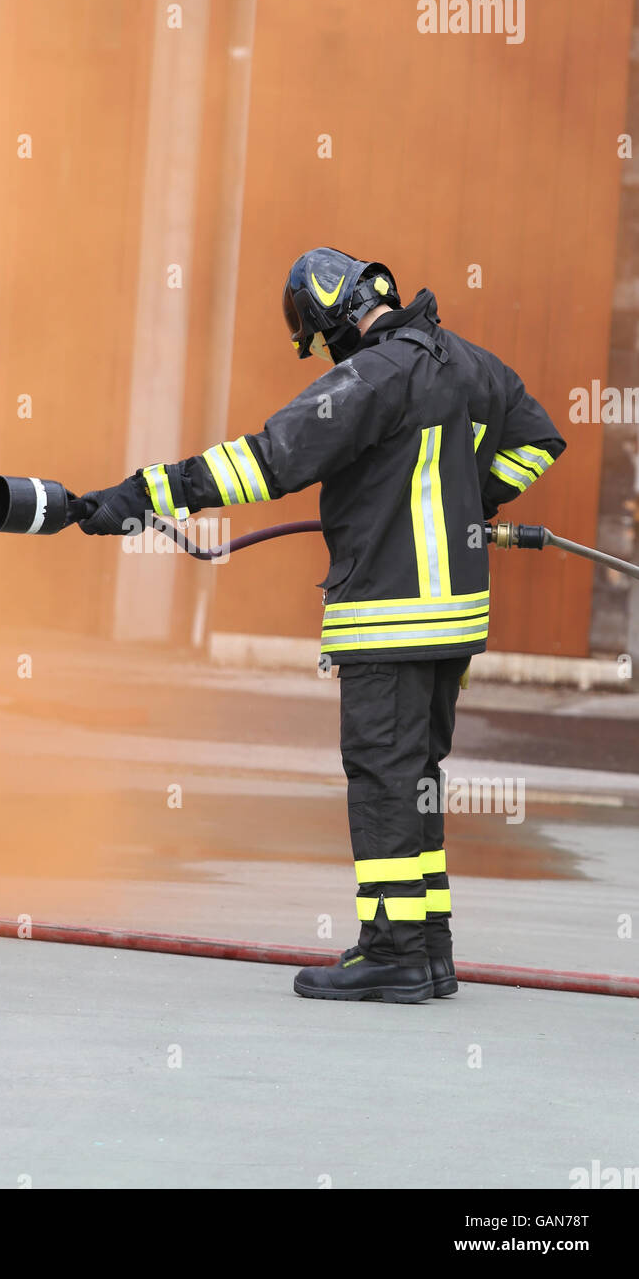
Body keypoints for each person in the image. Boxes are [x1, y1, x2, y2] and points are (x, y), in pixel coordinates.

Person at [77, 247, 566, 1003]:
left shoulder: (372, 376)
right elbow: (540, 440)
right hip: (454, 622)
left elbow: (268, 460)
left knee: (382, 779)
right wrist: (472, 498)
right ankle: (427, 951)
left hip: (390, 617)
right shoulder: (470, 365)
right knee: (416, 781)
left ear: (331, 315)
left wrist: (144, 495)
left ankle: (395, 953)